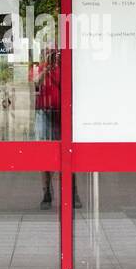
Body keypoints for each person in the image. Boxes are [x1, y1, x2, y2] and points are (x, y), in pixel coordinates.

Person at [31, 46, 80, 210]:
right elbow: (36, 82)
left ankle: (72, 192)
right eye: (47, 54)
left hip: (61, 112)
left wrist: (59, 65)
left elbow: (69, 86)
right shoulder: (38, 66)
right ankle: (46, 192)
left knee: (66, 152)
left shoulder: (64, 67)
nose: (51, 56)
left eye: (54, 54)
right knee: (44, 152)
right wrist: (47, 68)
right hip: (43, 112)